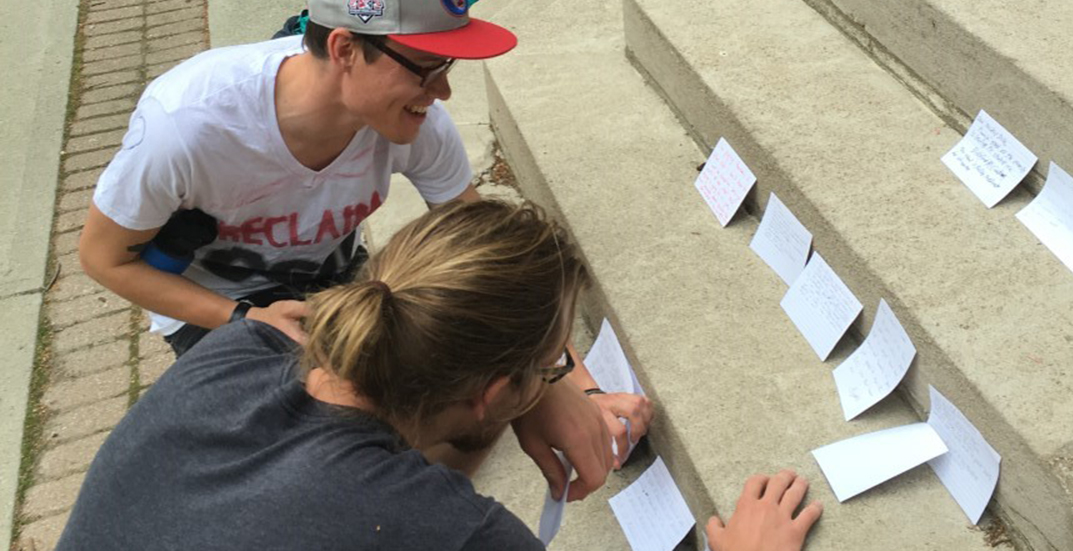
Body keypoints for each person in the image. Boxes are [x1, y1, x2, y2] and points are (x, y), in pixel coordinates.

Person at [77, 0, 652, 501]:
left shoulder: (414, 121)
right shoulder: (188, 125)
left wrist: (571, 388)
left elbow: (497, 273)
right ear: (345, 49)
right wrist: (241, 320)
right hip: (220, 316)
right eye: (427, 67)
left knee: (454, 412)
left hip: (337, 290)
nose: (444, 91)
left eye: (447, 65)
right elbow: (103, 260)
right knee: (321, 463)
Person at [55, 200, 822, 550]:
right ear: (487, 392)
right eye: (555, 364)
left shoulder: (240, 349)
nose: (561, 379)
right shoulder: (448, 529)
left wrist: (531, 388)